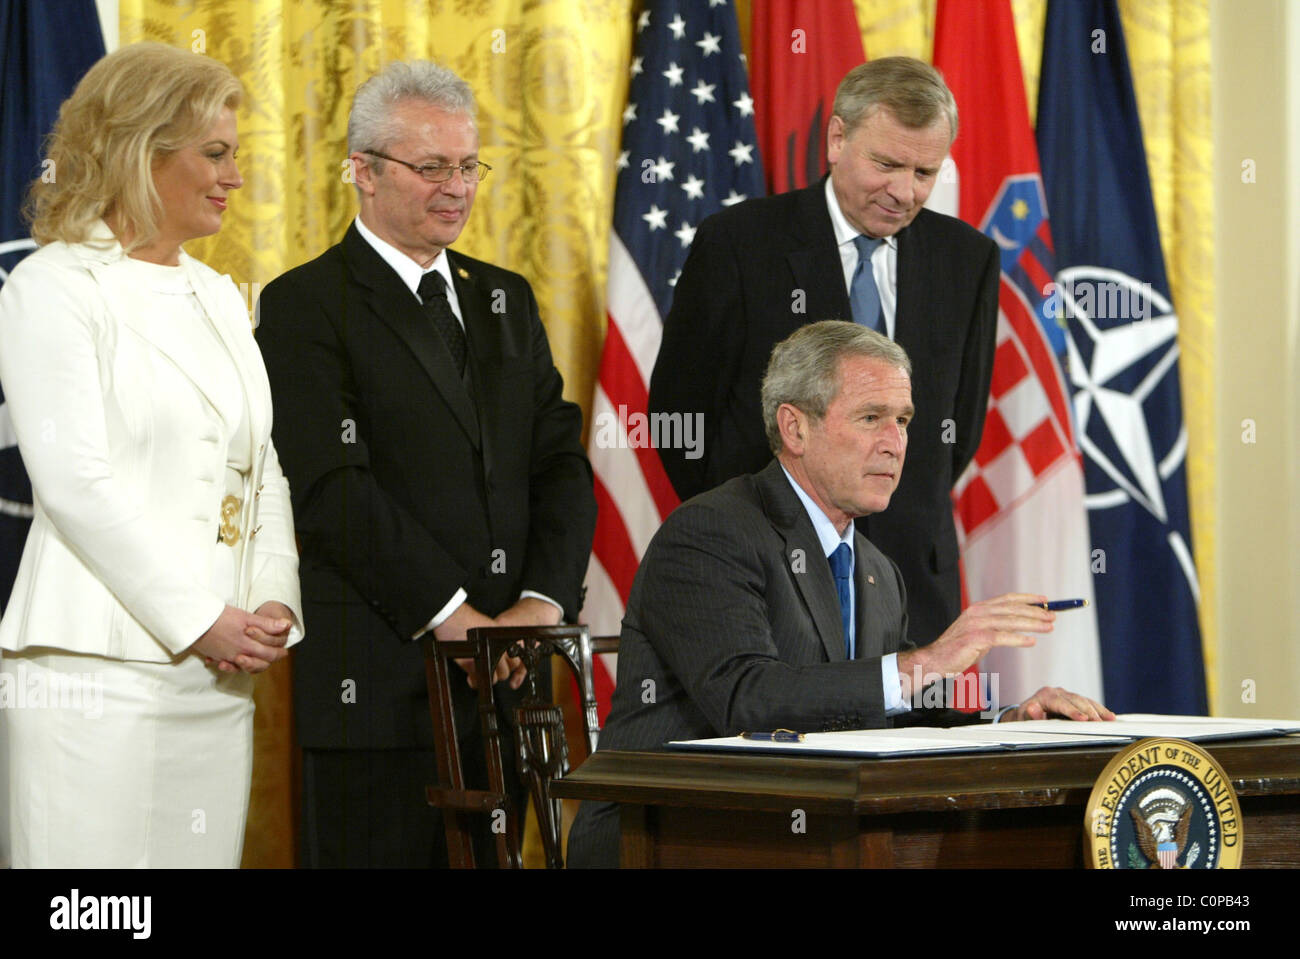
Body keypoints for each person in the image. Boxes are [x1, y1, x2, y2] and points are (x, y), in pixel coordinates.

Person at [568, 322, 1112, 867]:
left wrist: (1008, 723)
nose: (894, 442)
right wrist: (920, 662)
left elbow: (889, 714)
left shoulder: (876, 569)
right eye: (871, 417)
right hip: (667, 834)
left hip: (812, 833)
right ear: (795, 428)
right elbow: (745, 699)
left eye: (902, 421)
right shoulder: (711, 532)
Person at [256, 60, 596, 868]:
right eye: (431, 166)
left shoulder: (504, 296)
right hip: (380, 690)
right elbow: (332, 488)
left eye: (469, 164)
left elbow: (560, 463)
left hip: (508, 677)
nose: (457, 187)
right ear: (363, 173)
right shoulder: (306, 303)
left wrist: (538, 605)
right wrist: (453, 616)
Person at [0, 43, 303, 868]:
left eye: (233, 154)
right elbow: (73, 482)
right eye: (214, 153)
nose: (234, 176)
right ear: (140, 149)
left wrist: (270, 595)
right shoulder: (53, 286)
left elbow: (262, 462)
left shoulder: (214, 292)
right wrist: (202, 618)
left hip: (213, 681)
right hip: (92, 673)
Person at [649, 56, 998, 650]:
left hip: (915, 578)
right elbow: (679, 416)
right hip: (767, 577)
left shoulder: (967, 259)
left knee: (927, 744)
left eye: (924, 172)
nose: (903, 191)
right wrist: (754, 528)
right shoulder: (739, 244)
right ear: (837, 138)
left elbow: (954, 431)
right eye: (885, 164)